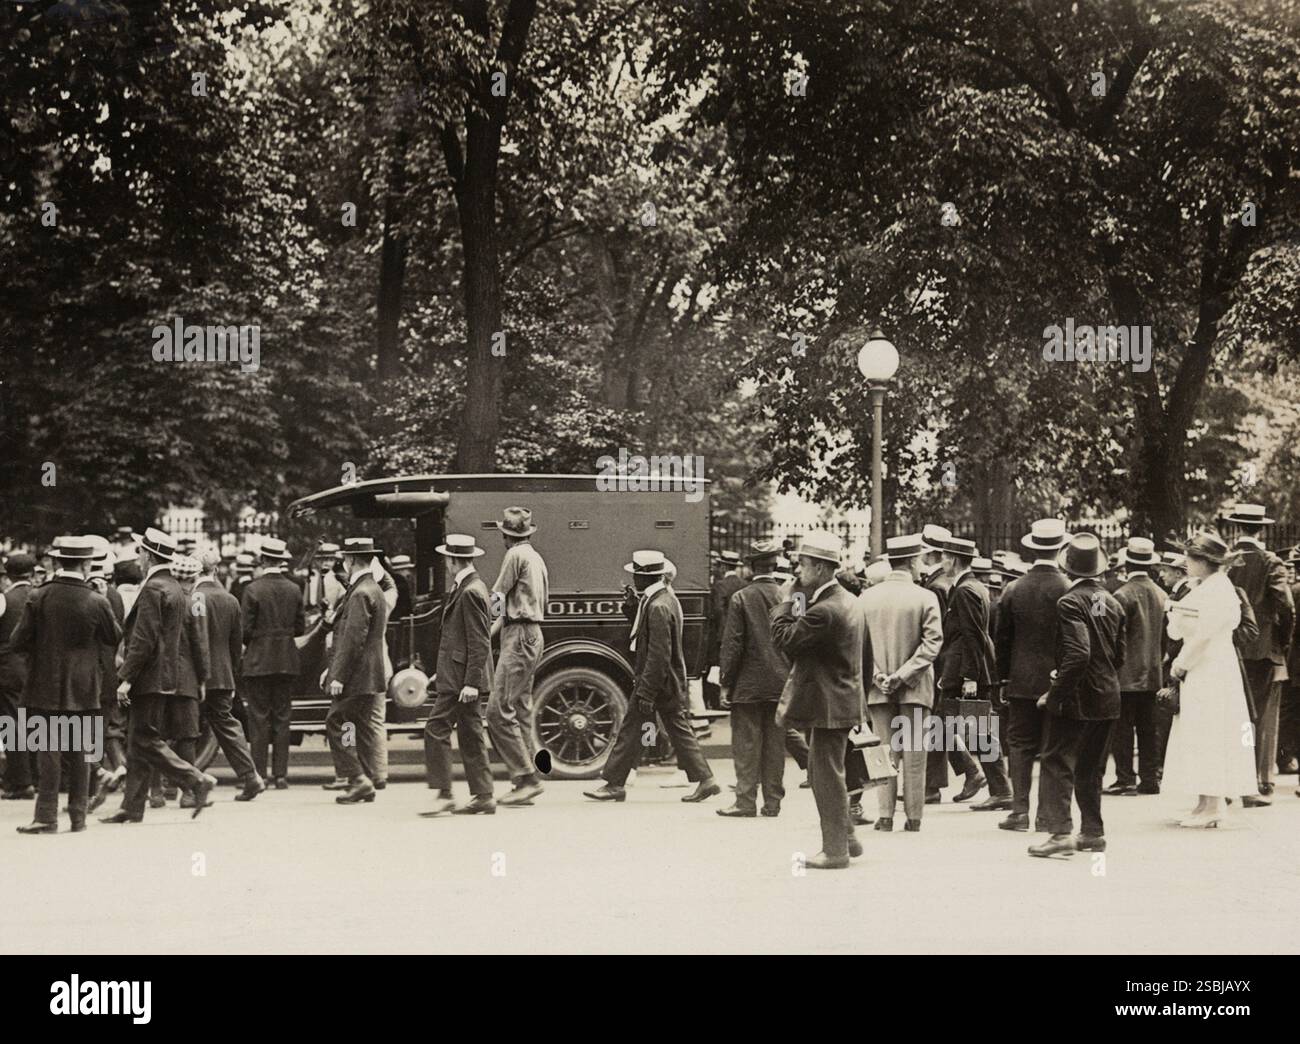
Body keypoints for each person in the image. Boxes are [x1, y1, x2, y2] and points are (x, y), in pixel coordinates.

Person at [585, 550, 720, 805]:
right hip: (663, 679)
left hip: (658, 679)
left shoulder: (657, 606)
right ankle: (705, 780)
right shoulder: (660, 599)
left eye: (635, 574)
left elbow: (658, 653)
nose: (633, 578)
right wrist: (632, 606)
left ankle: (615, 784)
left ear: (644, 576)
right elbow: (645, 632)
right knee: (667, 729)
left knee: (636, 729)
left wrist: (646, 691)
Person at [769, 530, 870, 870]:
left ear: (822, 568)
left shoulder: (824, 611)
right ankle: (848, 838)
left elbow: (785, 639)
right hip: (842, 701)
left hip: (828, 706)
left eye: (803, 565)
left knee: (826, 777)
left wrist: (784, 600)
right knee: (828, 772)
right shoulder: (849, 602)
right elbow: (864, 660)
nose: (798, 572)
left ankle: (835, 850)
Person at [101, 528, 217, 823]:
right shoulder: (175, 587)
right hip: (165, 676)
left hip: (149, 678)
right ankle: (132, 806)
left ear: (149, 555)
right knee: (140, 740)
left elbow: (144, 639)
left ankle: (195, 780)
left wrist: (126, 678)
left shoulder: (153, 588)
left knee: (144, 739)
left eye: (140, 551)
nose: (137, 557)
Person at [9, 537, 120, 833]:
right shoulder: (96, 600)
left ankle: (46, 816)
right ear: (86, 565)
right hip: (85, 686)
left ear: (58, 562)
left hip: (45, 683)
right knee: (83, 751)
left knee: (49, 751)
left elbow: (17, 641)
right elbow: (113, 637)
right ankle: (78, 816)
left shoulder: (39, 596)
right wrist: (104, 599)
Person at [1029, 532, 1125, 858]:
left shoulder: (1070, 602)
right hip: (1108, 695)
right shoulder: (1110, 602)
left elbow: (1079, 653)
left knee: (1057, 761)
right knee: (1091, 766)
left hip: (1079, 698)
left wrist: (1056, 692)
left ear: (1068, 568)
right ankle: (1092, 832)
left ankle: (1059, 833)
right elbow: (1117, 656)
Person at [1163, 530, 1260, 827]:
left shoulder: (1219, 590)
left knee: (1211, 732)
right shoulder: (1205, 586)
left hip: (1212, 668)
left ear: (1204, 561)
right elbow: (1177, 630)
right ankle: (1205, 800)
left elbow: (1204, 635)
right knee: (1199, 732)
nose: (1187, 564)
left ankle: (1215, 804)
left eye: (1191, 559)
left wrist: (1180, 663)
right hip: (1204, 669)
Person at [858, 533, 942, 832]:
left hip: (876, 687)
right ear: (910, 561)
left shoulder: (867, 598)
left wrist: (878, 675)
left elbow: (857, 646)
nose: (922, 565)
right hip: (915, 687)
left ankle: (884, 815)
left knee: (883, 749)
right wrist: (903, 675)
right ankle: (914, 817)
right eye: (920, 559)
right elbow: (932, 645)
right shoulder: (925, 597)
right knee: (915, 752)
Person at [994, 519, 1070, 831]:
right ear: (1061, 548)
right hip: (1057, 682)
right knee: (1053, 747)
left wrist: (1002, 679)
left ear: (1033, 547)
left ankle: (1019, 811)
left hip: (1020, 681)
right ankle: (1047, 815)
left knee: (1020, 745)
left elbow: (1002, 640)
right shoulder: (1068, 588)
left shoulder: (1013, 589)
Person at [1221, 502, 1294, 803]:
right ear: (1261, 528)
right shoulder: (1269, 561)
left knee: (1229, 715)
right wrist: (1282, 641)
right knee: (1254, 720)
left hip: (1228, 646)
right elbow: (1286, 605)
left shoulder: (1225, 561)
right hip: (1262, 650)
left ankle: (1225, 784)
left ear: (1237, 527)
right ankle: (1250, 783)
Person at [420, 534, 495, 815]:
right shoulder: (468, 587)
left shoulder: (470, 591)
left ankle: (444, 794)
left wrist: (471, 683)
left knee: (436, 729)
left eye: (447, 559)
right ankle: (484, 795)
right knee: (470, 733)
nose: (446, 564)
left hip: (462, 679)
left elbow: (479, 641)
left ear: (453, 560)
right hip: (458, 675)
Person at [716, 539, 791, 818]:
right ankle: (773, 802)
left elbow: (732, 643)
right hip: (781, 682)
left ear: (751, 566)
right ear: (775, 565)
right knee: (775, 745)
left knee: (746, 745)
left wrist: (725, 682)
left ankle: (745, 801)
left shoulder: (741, 598)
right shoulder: (788, 597)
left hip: (747, 685)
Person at [932, 534, 1009, 807]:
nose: (941, 562)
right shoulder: (973, 586)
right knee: (968, 728)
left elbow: (971, 636)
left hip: (966, 670)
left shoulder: (964, 590)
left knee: (962, 727)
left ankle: (991, 784)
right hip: (969, 668)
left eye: (943, 557)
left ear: (953, 560)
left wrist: (969, 677)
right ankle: (989, 783)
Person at [486, 507, 550, 807]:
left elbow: (498, 598)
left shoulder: (514, 556)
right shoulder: (535, 557)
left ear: (505, 535)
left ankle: (526, 779)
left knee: (498, 711)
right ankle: (529, 777)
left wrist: (482, 626)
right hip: (532, 634)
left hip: (519, 636)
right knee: (521, 708)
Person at [323, 538, 392, 805]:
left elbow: (353, 639)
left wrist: (338, 675)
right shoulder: (372, 588)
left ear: (351, 561)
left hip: (357, 673)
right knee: (359, 724)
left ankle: (357, 779)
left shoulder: (360, 592)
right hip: (370, 672)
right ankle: (366, 778)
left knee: (336, 720)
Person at [193, 549, 264, 801]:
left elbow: (194, 641)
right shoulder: (230, 599)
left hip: (196, 676)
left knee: (189, 729)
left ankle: (187, 786)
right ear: (215, 569)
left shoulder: (193, 597)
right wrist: (231, 675)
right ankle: (250, 776)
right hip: (223, 675)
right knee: (226, 723)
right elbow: (236, 644)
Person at [1103, 538, 1168, 796]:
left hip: (1126, 673)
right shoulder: (1162, 594)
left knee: (1122, 728)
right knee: (1148, 727)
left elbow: (1114, 636)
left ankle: (1125, 778)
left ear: (1127, 564)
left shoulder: (1122, 595)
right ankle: (1149, 779)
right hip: (1153, 671)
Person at [240, 536, 304, 790]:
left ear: (264, 560)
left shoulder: (253, 589)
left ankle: (260, 774)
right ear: (281, 561)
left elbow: (245, 629)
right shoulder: (294, 589)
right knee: (282, 717)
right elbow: (299, 628)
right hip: (286, 659)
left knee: (258, 719)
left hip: (258, 661)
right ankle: (281, 775)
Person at [0, 552, 38, 799]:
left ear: (7, 575)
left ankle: (20, 782)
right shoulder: (39, 596)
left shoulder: (5, 599)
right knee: (35, 721)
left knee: (11, 723)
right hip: (35, 667)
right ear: (32, 573)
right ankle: (35, 775)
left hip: (9, 668)